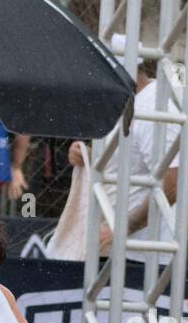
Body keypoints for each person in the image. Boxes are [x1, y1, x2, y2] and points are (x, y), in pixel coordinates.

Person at [67, 53, 180, 255]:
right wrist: (86, 155)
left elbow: (171, 185)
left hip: (140, 254)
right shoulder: (125, 103)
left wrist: (121, 228)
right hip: (113, 247)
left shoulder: (155, 109)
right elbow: (125, 159)